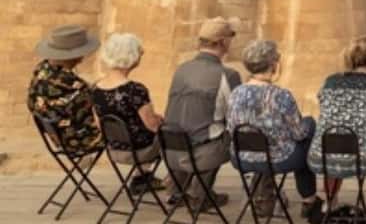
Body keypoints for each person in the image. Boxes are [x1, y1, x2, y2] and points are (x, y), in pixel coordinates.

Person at [307, 36, 366, 223]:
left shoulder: (330, 81)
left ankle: (329, 201)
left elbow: (325, 110)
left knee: (335, 143)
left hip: (325, 156)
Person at [227, 40, 324, 222]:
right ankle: (309, 200)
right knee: (308, 130)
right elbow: (298, 133)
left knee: (270, 142)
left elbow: (231, 127)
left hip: (240, 157)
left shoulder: (235, 93)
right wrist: (309, 124)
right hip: (278, 159)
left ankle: (264, 194)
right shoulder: (281, 95)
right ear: (273, 64)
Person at [163, 17, 242, 210]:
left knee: (192, 125)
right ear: (223, 42)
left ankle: (177, 188)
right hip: (202, 153)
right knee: (227, 132)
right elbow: (237, 115)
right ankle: (199, 194)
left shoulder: (181, 69)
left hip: (170, 151)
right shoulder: (228, 75)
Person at [92, 33, 167, 193]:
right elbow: (152, 126)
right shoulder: (135, 90)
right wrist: (161, 120)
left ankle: (142, 179)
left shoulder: (95, 89)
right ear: (130, 57)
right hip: (140, 150)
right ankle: (177, 185)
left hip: (114, 148)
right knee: (173, 133)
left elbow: (100, 124)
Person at [28, 25, 104, 156]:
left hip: (57, 136)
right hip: (77, 140)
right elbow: (94, 104)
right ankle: (142, 169)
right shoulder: (69, 83)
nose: (82, 58)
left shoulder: (42, 69)